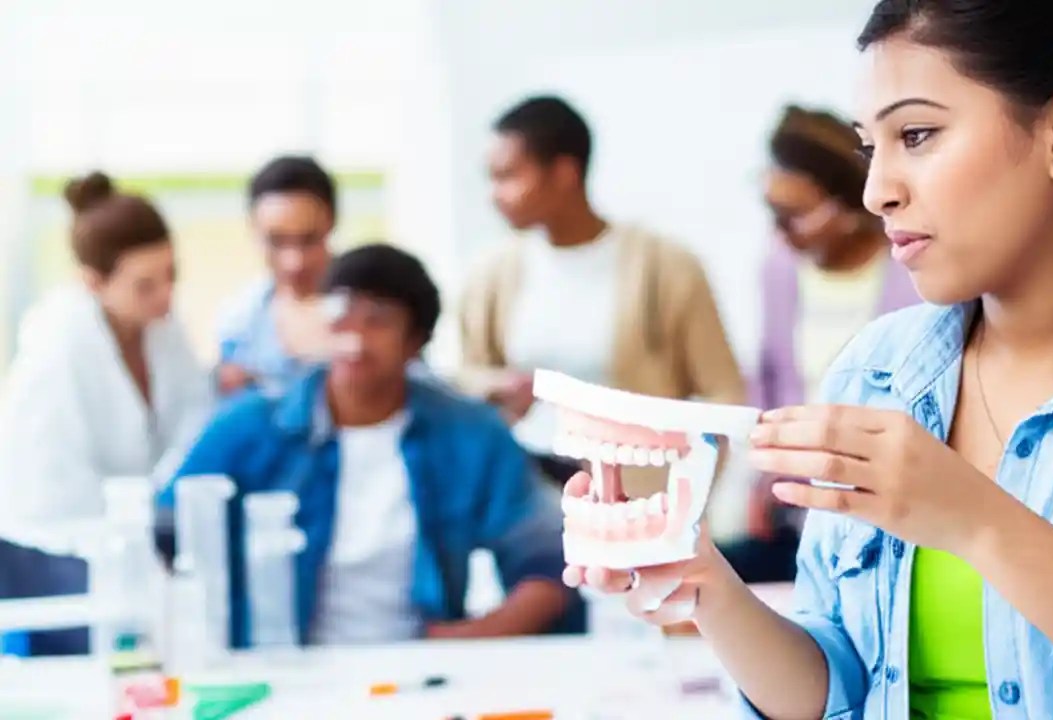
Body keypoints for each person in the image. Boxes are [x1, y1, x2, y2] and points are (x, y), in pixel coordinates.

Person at [565, 1, 1053, 718]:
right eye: (869, 148)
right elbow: (831, 688)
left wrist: (975, 519)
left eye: (917, 134)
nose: (878, 191)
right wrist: (705, 586)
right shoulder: (875, 369)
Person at [162, 244, 581, 648]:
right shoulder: (252, 425)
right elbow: (164, 526)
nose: (355, 340)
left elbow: (547, 556)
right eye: (340, 317)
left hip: (422, 674)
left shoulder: (467, 432)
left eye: (377, 321)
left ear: (415, 341)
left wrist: (470, 640)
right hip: (282, 669)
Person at [460, 95, 745, 491]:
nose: (494, 194)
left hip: (641, 501)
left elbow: (723, 393)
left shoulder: (665, 265)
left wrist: (690, 496)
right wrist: (498, 386)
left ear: (564, 172)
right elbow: (464, 376)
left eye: (508, 177)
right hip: (528, 500)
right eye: (491, 179)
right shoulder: (492, 273)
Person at [0, 172, 211, 654]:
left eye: (171, 275)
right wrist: (134, 539)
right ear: (93, 283)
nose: (165, 297)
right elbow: (52, 496)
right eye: (145, 285)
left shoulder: (161, 327)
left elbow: (191, 422)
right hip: (52, 549)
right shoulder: (57, 349)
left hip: (132, 536)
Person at [722, 105, 919, 584]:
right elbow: (768, 379)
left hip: (886, 508)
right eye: (772, 212)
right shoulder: (779, 268)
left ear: (850, 209)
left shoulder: (910, 273)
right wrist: (762, 478)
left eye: (792, 215)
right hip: (794, 507)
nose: (778, 231)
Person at [216, 156, 337, 399]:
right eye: (277, 241)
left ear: (332, 223)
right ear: (253, 230)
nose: (294, 261)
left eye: (309, 239)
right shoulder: (239, 326)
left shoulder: (372, 316)